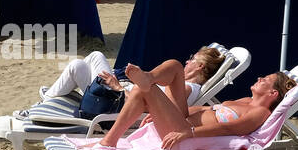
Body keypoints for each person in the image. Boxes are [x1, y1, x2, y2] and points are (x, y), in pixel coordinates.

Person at [100, 69, 297, 147]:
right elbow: (206, 111)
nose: (259, 78)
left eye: (266, 80)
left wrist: (189, 133)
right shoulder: (246, 100)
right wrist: (159, 114)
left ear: (273, 94)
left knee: (142, 90)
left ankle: (109, 141)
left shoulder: (260, 112)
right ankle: (149, 77)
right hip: (182, 120)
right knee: (176, 67)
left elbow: (229, 129)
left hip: (181, 130)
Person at [39, 46, 225, 109]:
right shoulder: (182, 85)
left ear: (200, 66)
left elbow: (153, 108)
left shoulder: (187, 89)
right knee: (78, 65)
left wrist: (118, 88)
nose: (187, 60)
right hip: (118, 96)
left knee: (94, 56)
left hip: (117, 102)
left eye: (192, 59)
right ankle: (47, 101)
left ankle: (45, 102)